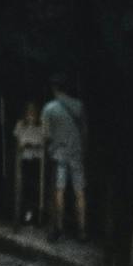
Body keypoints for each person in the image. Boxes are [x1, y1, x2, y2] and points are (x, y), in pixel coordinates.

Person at [40, 88, 89, 236]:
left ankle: (59, 227)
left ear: (54, 89)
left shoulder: (49, 108)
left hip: (59, 154)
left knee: (59, 191)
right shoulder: (79, 105)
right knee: (79, 192)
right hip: (76, 154)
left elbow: (46, 134)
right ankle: (82, 230)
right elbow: (85, 131)